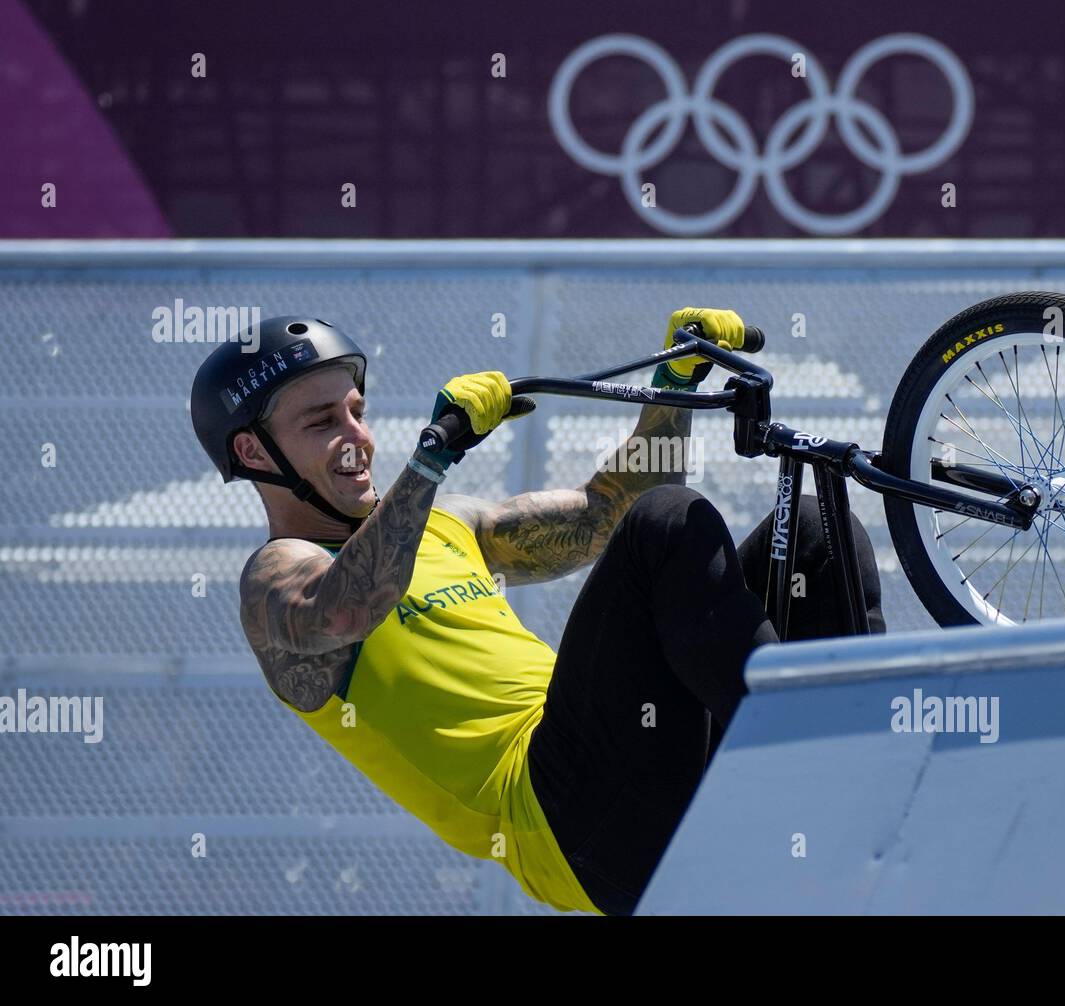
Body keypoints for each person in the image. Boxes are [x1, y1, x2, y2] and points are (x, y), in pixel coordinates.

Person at [190, 309, 885, 916]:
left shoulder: (449, 527)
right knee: (667, 521)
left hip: (658, 774)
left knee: (820, 531)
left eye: (357, 413)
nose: (357, 437)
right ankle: (826, 760)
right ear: (254, 452)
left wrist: (675, 388)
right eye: (322, 422)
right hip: (571, 827)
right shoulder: (278, 577)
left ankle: (848, 766)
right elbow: (345, 612)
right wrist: (433, 458)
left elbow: (602, 514)